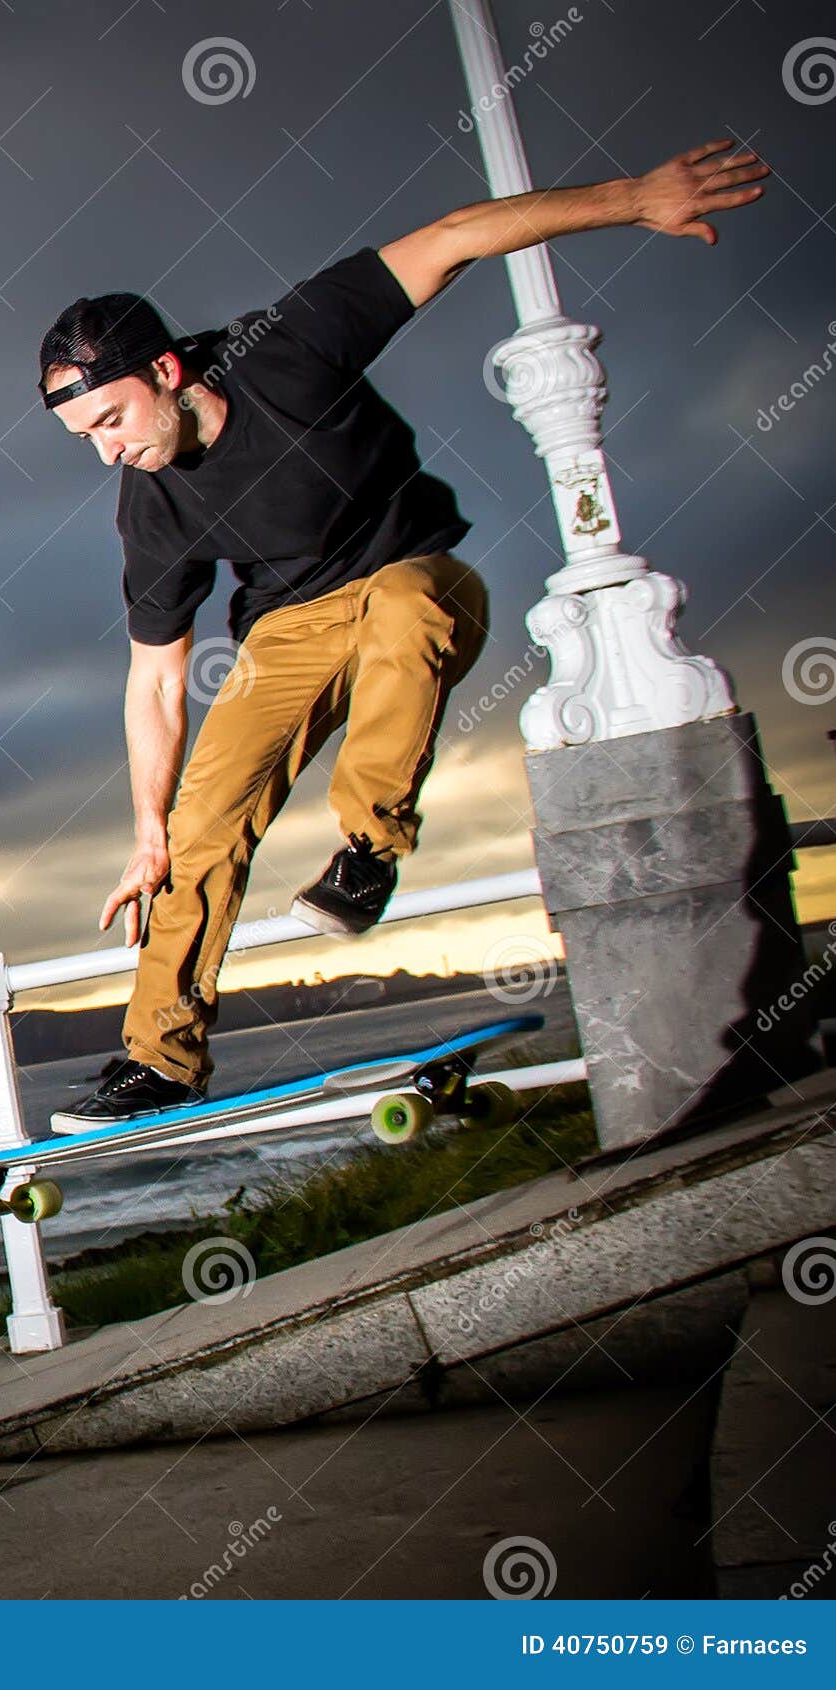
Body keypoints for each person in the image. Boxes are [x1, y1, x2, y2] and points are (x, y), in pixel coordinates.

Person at [40, 139, 770, 1129]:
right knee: (200, 829)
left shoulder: (288, 345)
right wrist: (145, 830)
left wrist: (635, 196)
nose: (108, 451)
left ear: (166, 371)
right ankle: (161, 1057)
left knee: (406, 612)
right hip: (288, 634)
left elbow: (455, 237)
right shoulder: (149, 509)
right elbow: (155, 683)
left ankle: (367, 851)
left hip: (413, 576)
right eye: (86, 439)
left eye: (113, 419)